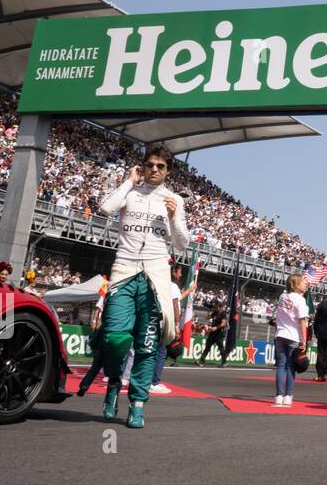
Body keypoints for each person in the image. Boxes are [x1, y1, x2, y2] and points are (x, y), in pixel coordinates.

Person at [98, 145, 188, 429]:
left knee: (147, 345)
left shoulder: (174, 199)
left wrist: (174, 218)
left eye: (160, 166)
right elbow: (105, 208)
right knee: (114, 338)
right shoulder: (130, 192)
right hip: (124, 271)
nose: (154, 170)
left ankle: (137, 404)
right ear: (142, 166)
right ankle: (114, 384)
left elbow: (182, 243)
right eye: (149, 165)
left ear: (167, 170)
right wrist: (128, 181)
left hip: (156, 277)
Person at [150, 261, 195, 396]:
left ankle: (145, 379)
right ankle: (154, 382)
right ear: (174, 272)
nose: (180, 275)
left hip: (153, 319)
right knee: (162, 351)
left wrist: (189, 290)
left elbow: (178, 298)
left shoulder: (160, 283)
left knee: (151, 351)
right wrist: (176, 325)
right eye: (179, 271)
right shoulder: (173, 286)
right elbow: (175, 304)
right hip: (165, 322)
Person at [273, 273, 309, 407]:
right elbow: (302, 321)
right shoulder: (300, 300)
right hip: (293, 335)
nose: (305, 284)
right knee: (290, 367)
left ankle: (278, 395)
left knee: (281, 365)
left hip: (280, 334)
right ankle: (288, 395)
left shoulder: (283, 297)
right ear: (296, 285)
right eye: (302, 282)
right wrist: (304, 340)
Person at [197, 300, 229, 367]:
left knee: (221, 348)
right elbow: (207, 318)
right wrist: (209, 310)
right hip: (212, 333)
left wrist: (216, 327)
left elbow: (223, 323)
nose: (215, 308)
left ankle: (224, 362)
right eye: (215, 307)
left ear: (220, 307)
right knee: (207, 347)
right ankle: (201, 361)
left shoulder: (223, 314)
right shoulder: (215, 312)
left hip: (219, 334)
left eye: (216, 307)